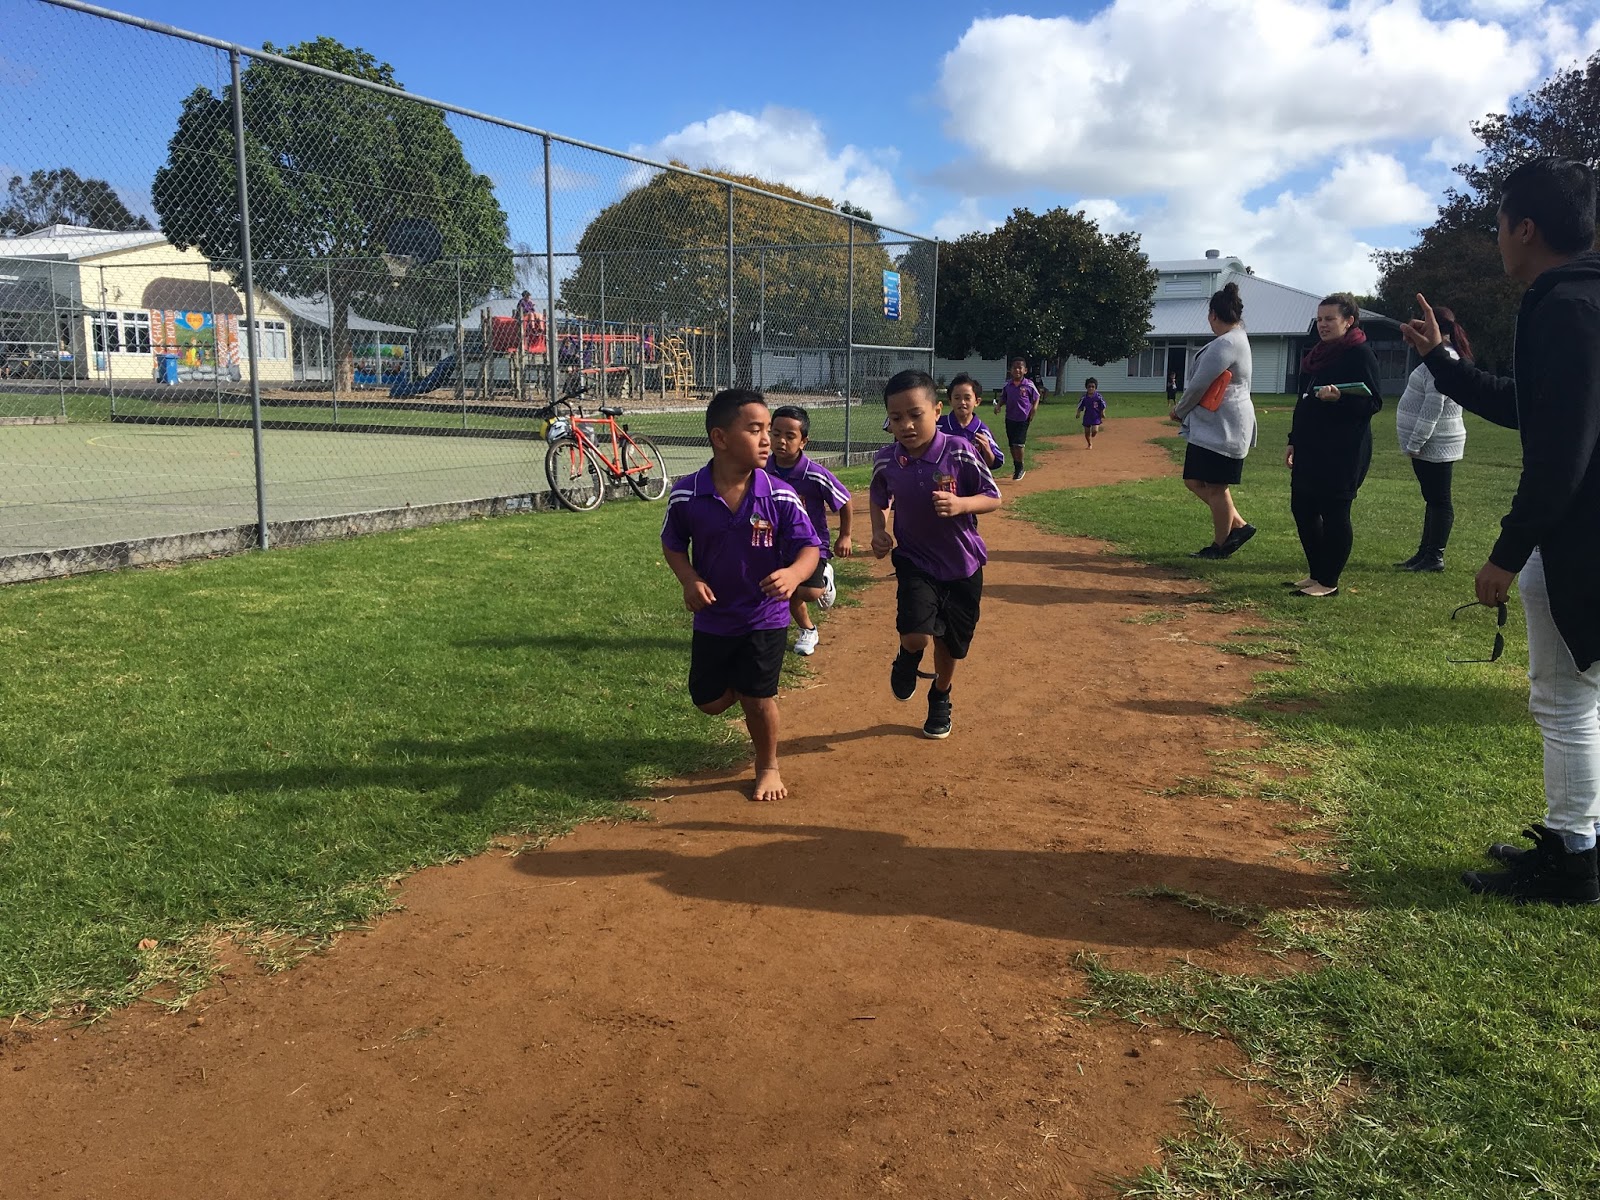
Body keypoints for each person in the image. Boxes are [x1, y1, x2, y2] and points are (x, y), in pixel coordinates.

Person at [1398, 157, 1600, 906]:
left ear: (1526, 229)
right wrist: (1441, 361)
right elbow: (1531, 407)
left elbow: (1561, 453)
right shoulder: (1579, 300)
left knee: (1566, 697)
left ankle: (1574, 857)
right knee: (1581, 693)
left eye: (1499, 225)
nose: (1496, 240)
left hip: (1581, 535)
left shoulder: (1567, 307)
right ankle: (1580, 839)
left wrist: (1507, 554)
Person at [661, 389, 823, 802]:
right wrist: (688, 579)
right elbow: (673, 543)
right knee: (708, 701)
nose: (768, 439)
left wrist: (793, 574)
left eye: (769, 429)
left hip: (763, 616)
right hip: (713, 616)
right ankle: (742, 684)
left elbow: (809, 547)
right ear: (720, 438)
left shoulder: (780, 495)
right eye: (756, 430)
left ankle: (767, 765)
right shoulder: (687, 494)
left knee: (758, 698)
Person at [872, 369, 1002, 739]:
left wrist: (962, 504)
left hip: (963, 564)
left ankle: (940, 694)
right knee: (916, 633)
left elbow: (993, 497)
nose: (906, 425)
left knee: (951, 646)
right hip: (915, 560)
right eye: (896, 417)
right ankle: (908, 656)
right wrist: (879, 530)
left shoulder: (959, 451)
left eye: (915, 414)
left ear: (936, 410)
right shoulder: (886, 460)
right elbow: (879, 496)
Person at [1284, 293, 1383, 597]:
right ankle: (1316, 573)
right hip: (1310, 446)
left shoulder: (1359, 354)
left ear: (1349, 321)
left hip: (1343, 450)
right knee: (1302, 507)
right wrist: (1293, 440)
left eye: (1330, 319)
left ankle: (1328, 582)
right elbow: (1303, 401)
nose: (1323, 325)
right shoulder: (1316, 355)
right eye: (1319, 319)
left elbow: (1373, 403)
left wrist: (1340, 399)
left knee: (1335, 512)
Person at [1172, 280, 1257, 559]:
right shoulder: (1236, 339)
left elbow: (1199, 384)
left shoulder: (1227, 343)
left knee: (1216, 486)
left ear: (1212, 315)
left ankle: (1220, 545)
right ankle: (1238, 526)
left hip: (1223, 428)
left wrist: (1180, 411)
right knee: (1194, 480)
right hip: (1215, 426)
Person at [767, 404, 853, 657]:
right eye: (776, 434)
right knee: (783, 591)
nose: (781, 441)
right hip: (775, 544)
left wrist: (845, 535)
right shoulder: (761, 470)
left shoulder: (815, 474)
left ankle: (824, 578)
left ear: (803, 441)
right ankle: (808, 629)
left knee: (809, 592)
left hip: (810, 545)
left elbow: (844, 501)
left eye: (790, 436)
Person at [1393, 307, 1471, 573]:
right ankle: (1424, 553)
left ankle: (1434, 556)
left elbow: (1433, 407)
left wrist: (1416, 441)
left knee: (1440, 500)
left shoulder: (1444, 360)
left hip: (1436, 443)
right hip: (1432, 444)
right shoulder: (1437, 358)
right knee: (1433, 499)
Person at [937, 373, 1005, 474]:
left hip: (972, 481)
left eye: (967, 398)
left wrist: (987, 449)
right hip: (943, 479)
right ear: (950, 401)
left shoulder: (982, 431)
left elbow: (994, 462)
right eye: (957, 398)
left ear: (977, 401)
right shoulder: (938, 426)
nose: (962, 402)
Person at [995, 357, 1040, 481]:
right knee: (1011, 444)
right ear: (1011, 370)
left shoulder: (1029, 385)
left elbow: (1036, 397)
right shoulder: (1008, 385)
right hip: (1010, 417)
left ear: (1025, 370)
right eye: (1014, 368)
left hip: (1023, 418)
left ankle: (1020, 467)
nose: (1017, 370)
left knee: (1018, 443)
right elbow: (1003, 398)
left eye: (1020, 368)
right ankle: (1016, 466)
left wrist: (1034, 409)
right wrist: (998, 406)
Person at [1077, 378, 1107, 448]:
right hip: (1087, 416)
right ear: (1086, 387)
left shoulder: (1098, 397)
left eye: (1093, 387)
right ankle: (1089, 443)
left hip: (1096, 416)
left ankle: (1093, 434)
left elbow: (1103, 405)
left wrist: (1102, 412)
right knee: (1087, 432)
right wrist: (1078, 413)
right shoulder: (1084, 397)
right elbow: (1080, 406)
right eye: (1089, 387)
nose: (1091, 388)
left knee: (1095, 430)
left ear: (1095, 388)